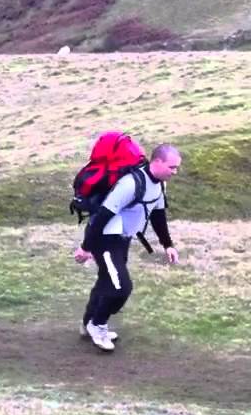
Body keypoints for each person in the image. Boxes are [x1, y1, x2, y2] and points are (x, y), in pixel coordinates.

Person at [73, 144, 182, 352]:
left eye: (176, 168)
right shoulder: (130, 184)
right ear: (157, 162)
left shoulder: (159, 185)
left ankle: (88, 324)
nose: (174, 172)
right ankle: (97, 324)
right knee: (120, 288)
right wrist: (86, 248)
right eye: (172, 167)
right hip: (105, 239)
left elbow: (158, 216)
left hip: (122, 240)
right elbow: (102, 217)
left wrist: (168, 245)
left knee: (106, 281)